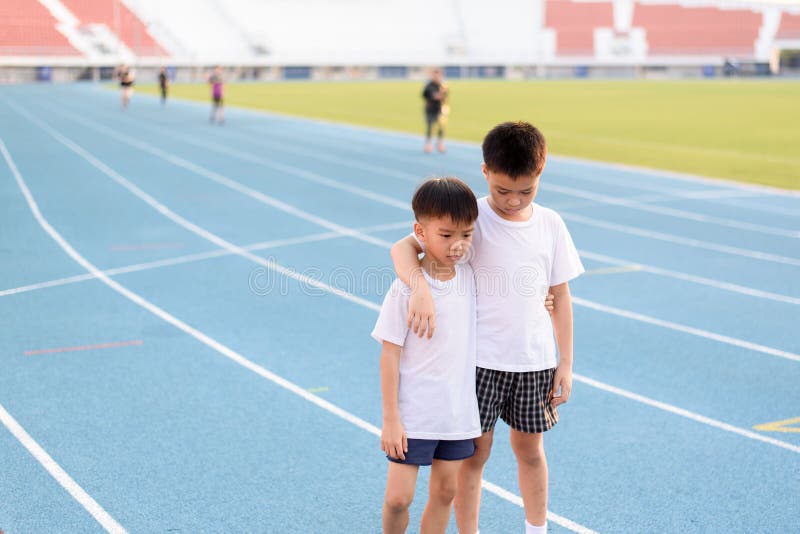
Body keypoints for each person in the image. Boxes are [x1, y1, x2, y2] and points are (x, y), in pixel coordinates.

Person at [390, 121, 584, 534]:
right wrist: (418, 285)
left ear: (541, 175)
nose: (513, 201)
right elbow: (404, 245)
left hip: (535, 362)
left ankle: (537, 528)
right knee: (475, 455)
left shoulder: (551, 225)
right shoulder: (471, 218)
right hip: (478, 364)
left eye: (526, 191)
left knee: (530, 450)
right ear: (485, 173)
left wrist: (565, 363)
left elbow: (560, 295)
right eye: (502, 190)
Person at [373, 177, 481, 534]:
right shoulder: (405, 288)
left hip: (455, 411)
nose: (458, 245)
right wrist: (391, 418)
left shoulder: (473, 279)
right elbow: (389, 355)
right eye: (446, 235)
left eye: (466, 235)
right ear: (420, 231)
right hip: (414, 413)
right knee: (398, 498)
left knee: (446, 492)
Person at [422, 69, 448, 154]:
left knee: (441, 127)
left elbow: (445, 98)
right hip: (430, 109)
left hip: (439, 109)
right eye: (435, 75)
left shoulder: (442, 85)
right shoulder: (429, 86)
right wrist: (441, 93)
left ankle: (440, 144)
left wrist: (445, 106)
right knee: (430, 127)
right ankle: (428, 144)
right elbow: (434, 96)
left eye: (439, 75)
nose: (437, 77)